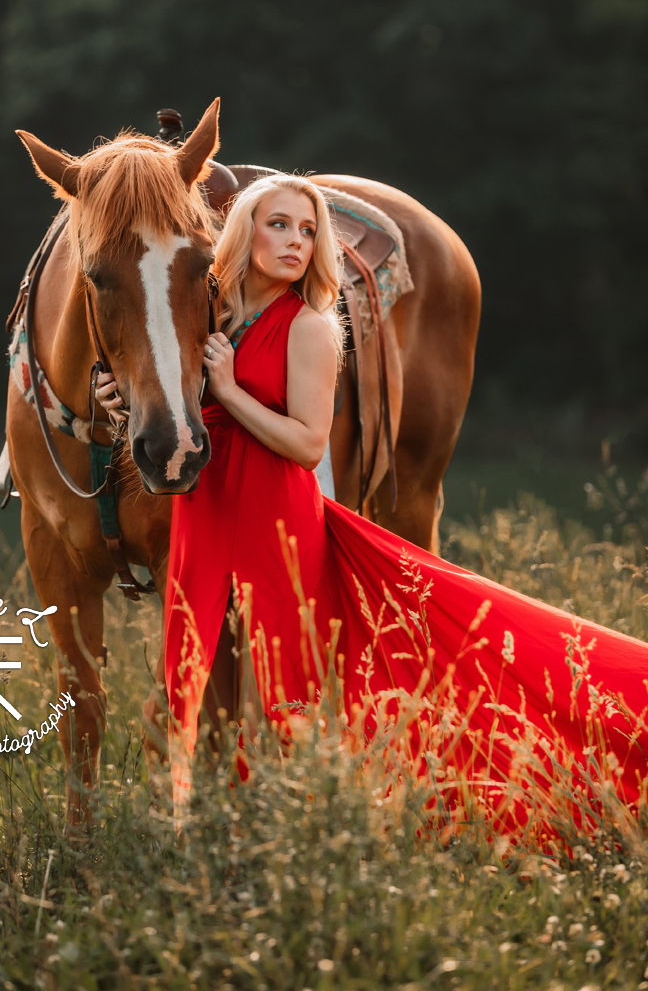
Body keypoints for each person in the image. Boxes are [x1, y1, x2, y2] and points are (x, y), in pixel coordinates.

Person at [97, 175, 648, 833]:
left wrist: (229, 391)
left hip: (276, 511)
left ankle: (306, 832)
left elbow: (305, 444)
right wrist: (119, 402)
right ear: (244, 230)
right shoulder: (209, 313)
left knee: (286, 685)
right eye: (279, 224)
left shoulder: (310, 328)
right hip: (207, 511)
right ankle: (206, 829)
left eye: (308, 230)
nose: (295, 241)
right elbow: (170, 388)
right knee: (189, 663)